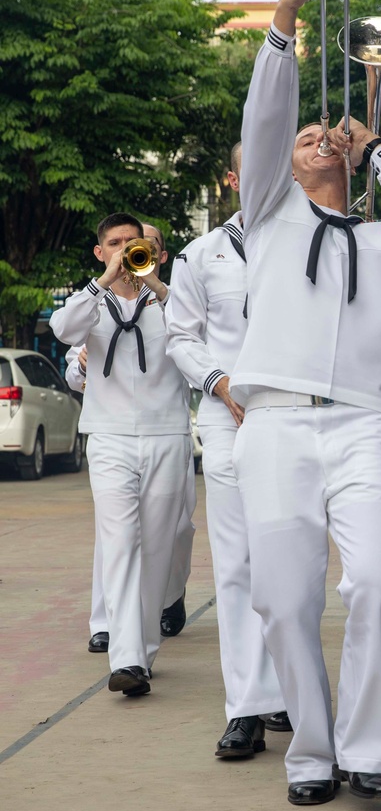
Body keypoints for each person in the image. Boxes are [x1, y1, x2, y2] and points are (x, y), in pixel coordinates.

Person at [228, 0, 381, 807]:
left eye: (332, 136)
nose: (317, 138)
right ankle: (312, 754)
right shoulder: (268, 216)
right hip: (276, 426)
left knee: (378, 583)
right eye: (306, 138)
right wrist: (286, 11)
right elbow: (267, 114)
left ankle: (367, 749)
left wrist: (379, 145)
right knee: (285, 604)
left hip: (362, 424)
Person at [165, 142, 289, 761]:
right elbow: (180, 335)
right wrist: (219, 382)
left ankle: (283, 684)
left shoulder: (313, 240)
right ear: (234, 178)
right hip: (226, 417)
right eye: (257, 165)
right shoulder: (201, 253)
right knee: (238, 564)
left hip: (295, 418)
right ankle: (246, 707)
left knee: (290, 562)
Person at [51, 213, 193, 697]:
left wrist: (152, 281)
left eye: (132, 243)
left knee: (157, 546)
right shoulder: (93, 300)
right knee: (118, 542)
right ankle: (127, 658)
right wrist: (105, 280)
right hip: (109, 438)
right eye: (114, 244)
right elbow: (63, 329)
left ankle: (144, 650)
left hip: (167, 434)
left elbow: (203, 330)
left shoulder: (169, 300)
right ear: (99, 251)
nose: (124, 249)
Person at [142, 221, 195, 639]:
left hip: (173, 428)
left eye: (147, 245)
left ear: (160, 255)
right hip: (124, 432)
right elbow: (75, 355)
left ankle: (172, 593)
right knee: (128, 533)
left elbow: (193, 327)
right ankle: (120, 620)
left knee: (178, 528)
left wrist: (156, 286)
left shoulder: (174, 296)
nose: (136, 251)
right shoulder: (106, 297)